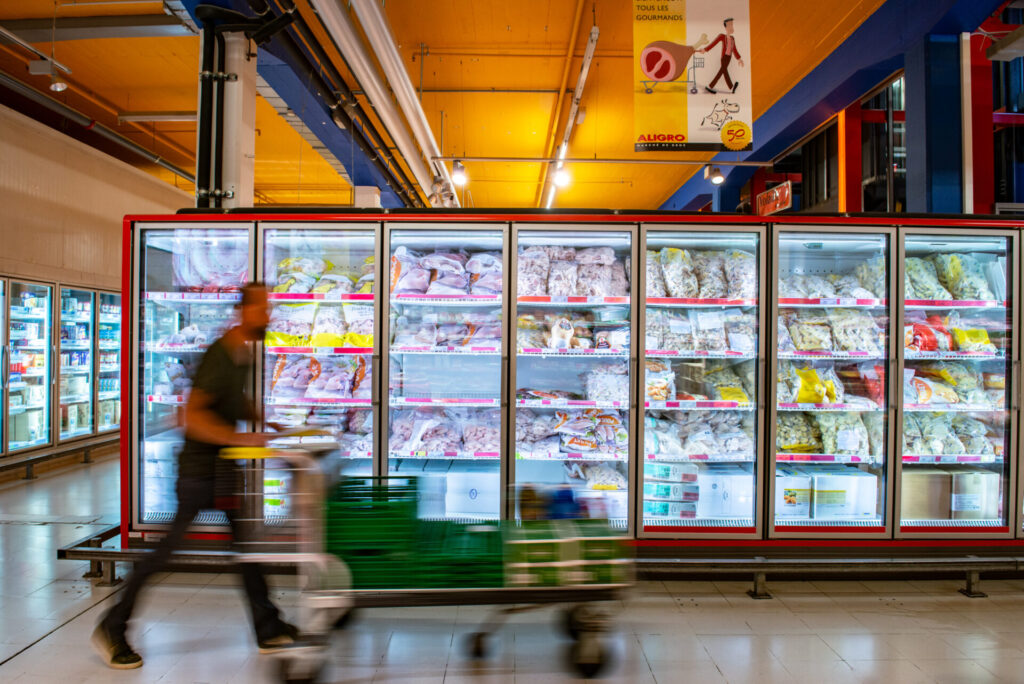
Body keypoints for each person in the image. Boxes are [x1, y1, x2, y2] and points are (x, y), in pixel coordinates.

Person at [92, 282, 297, 669]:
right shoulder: (221, 355)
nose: (269, 315)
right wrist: (241, 437)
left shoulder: (241, 354)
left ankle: (269, 627)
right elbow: (192, 417)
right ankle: (112, 627)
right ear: (244, 312)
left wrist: (269, 421)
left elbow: (232, 401)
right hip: (200, 474)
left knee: (248, 550)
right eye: (263, 308)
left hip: (223, 472)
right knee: (164, 554)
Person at [700, 17, 745, 94]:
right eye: (729, 25)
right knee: (722, 71)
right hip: (724, 57)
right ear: (726, 27)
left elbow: (734, 49)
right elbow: (713, 43)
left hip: (729, 58)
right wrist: (705, 49)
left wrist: (739, 59)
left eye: (732, 25)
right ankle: (715, 86)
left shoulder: (732, 38)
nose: (731, 27)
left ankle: (728, 87)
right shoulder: (722, 36)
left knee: (723, 71)